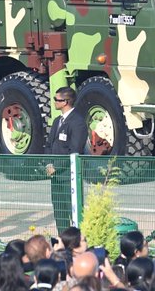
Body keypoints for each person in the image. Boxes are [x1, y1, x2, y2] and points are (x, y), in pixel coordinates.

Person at [45, 86, 88, 229]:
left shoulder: (77, 122)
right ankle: (62, 239)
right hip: (55, 176)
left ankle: (76, 240)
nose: (54, 102)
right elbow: (49, 145)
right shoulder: (57, 121)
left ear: (65, 102)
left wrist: (56, 167)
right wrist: (49, 164)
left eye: (57, 99)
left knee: (73, 212)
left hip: (69, 176)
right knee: (59, 213)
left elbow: (75, 150)